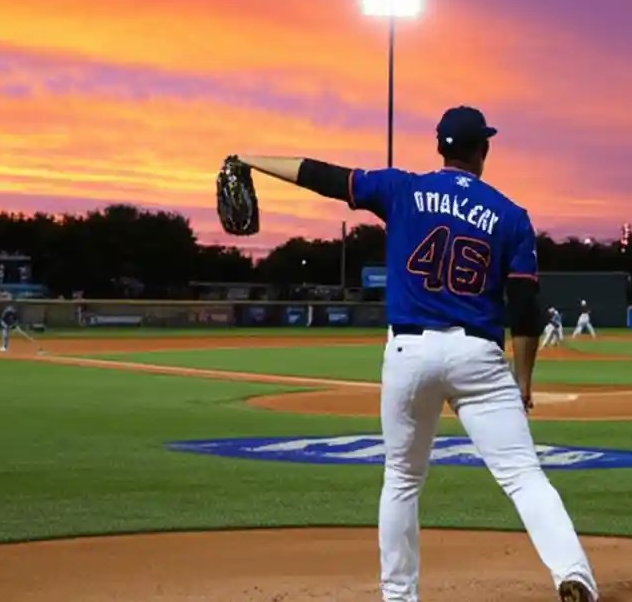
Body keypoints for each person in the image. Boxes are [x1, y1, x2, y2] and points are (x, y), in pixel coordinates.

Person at [234, 106, 598, 602]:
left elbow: (323, 176)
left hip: (408, 349)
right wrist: (525, 380)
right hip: (478, 355)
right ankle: (573, 576)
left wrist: (251, 160)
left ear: (439, 148)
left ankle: (398, 596)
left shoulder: (401, 189)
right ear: (483, 150)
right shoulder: (512, 216)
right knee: (524, 477)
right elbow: (525, 307)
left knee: (402, 479)